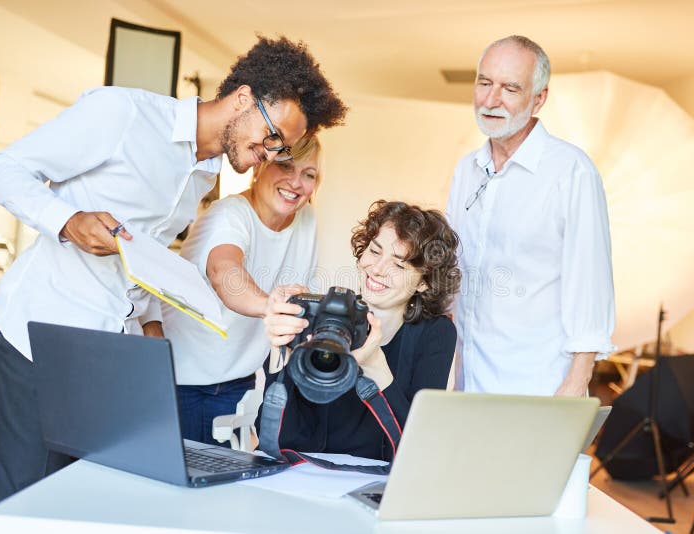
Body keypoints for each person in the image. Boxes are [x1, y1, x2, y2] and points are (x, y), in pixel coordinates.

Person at [0, 36, 347, 507]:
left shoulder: (204, 172)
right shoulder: (123, 114)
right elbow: (2, 169)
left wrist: (151, 325)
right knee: (21, 509)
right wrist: (68, 222)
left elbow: (139, 256)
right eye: (272, 138)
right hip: (38, 339)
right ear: (242, 98)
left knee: (71, 507)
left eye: (283, 149)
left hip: (103, 357)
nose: (271, 155)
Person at [446, 35, 615, 397]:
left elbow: (590, 283)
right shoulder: (467, 169)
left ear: (539, 98)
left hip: (538, 387)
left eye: (510, 88)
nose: (491, 100)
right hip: (467, 384)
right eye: (484, 83)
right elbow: (453, 271)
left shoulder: (572, 172)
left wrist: (577, 381)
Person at [262, 200, 460, 460]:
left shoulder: (435, 333)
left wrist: (377, 368)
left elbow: (419, 449)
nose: (377, 269)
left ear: (424, 282)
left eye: (399, 265)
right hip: (308, 475)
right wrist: (280, 356)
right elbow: (274, 436)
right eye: (375, 251)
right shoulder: (327, 316)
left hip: (377, 488)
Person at [164, 135, 323, 445]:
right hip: (185, 382)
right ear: (259, 168)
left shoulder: (306, 221)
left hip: (239, 380)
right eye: (286, 166)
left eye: (309, 174)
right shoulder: (231, 213)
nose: (296, 182)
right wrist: (271, 306)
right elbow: (225, 272)